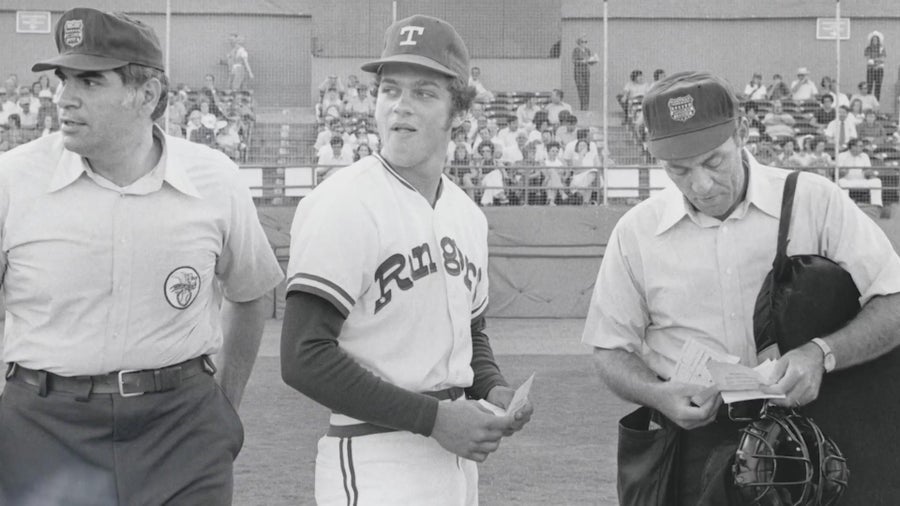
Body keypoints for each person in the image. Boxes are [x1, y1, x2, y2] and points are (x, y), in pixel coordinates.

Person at [0, 8, 283, 505]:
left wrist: (226, 406)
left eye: (89, 82)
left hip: (181, 430)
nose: (64, 98)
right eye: (64, 79)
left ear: (147, 95)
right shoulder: (12, 181)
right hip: (44, 430)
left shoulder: (214, 178)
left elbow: (251, 293)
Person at [583, 70, 900, 505]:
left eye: (713, 161)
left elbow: (895, 300)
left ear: (744, 133)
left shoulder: (814, 201)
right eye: (678, 169)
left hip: (810, 438)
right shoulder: (635, 233)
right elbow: (609, 350)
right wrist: (658, 394)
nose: (700, 184)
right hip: (694, 447)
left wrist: (821, 354)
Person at [280, 15, 533, 506]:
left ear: (458, 111)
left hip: (455, 452)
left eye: (423, 93)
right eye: (389, 90)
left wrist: (494, 387)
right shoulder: (343, 202)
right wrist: (434, 419)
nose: (400, 106)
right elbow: (302, 356)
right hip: (373, 450)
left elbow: (471, 335)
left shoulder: (467, 214)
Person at [836, 138, 882, 206]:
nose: (862, 148)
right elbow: (837, 174)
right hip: (847, 181)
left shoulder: (865, 156)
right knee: (841, 182)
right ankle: (845, 205)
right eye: (860, 146)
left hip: (861, 181)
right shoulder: (842, 156)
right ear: (852, 147)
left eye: (862, 146)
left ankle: (876, 205)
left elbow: (868, 171)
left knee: (877, 181)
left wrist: (868, 172)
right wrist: (843, 171)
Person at [572, 35, 595, 110]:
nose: (584, 43)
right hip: (579, 71)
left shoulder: (587, 50)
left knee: (587, 88)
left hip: (586, 71)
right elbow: (574, 61)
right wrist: (582, 61)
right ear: (579, 42)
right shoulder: (576, 50)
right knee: (581, 88)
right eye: (582, 42)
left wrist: (593, 60)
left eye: (586, 42)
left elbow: (590, 61)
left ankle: (586, 107)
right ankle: (582, 106)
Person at [864, 31, 886, 101]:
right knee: (869, 86)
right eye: (873, 39)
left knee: (878, 87)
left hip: (879, 70)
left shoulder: (882, 48)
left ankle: (876, 103)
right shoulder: (868, 48)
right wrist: (877, 61)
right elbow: (868, 60)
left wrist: (874, 60)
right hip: (870, 70)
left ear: (879, 40)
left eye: (876, 39)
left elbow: (882, 59)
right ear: (871, 40)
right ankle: (868, 102)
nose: (875, 41)